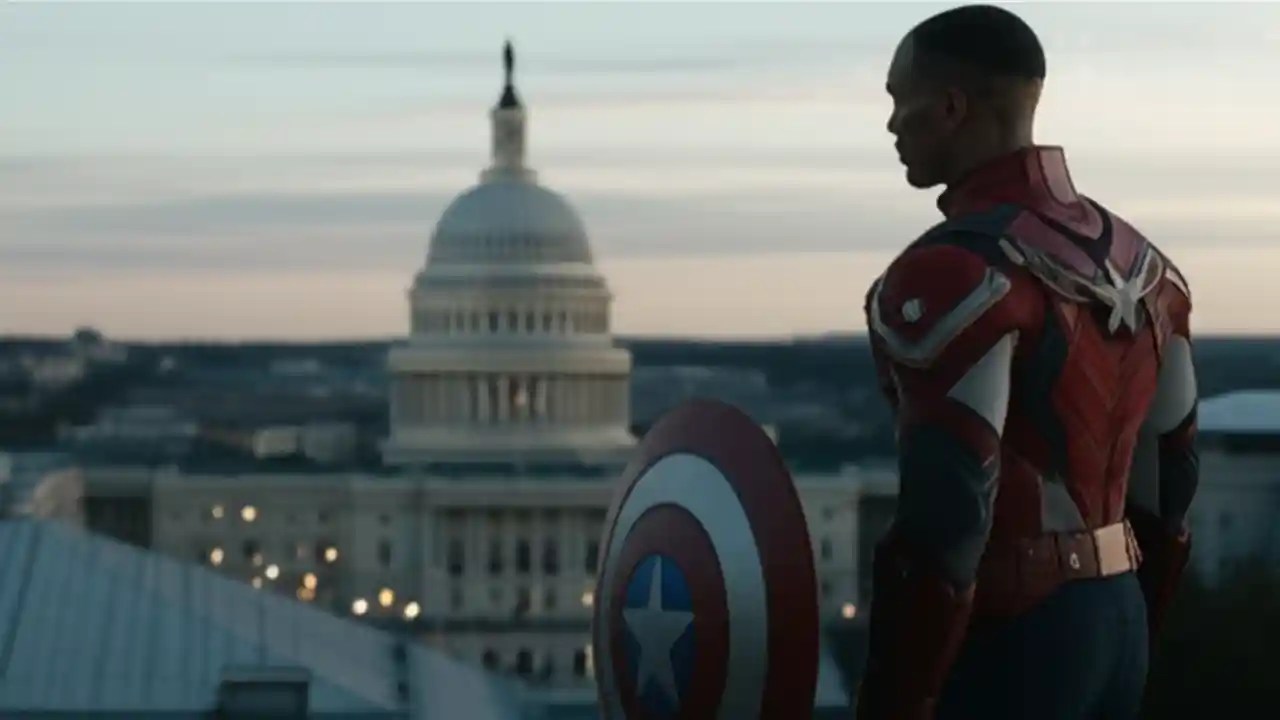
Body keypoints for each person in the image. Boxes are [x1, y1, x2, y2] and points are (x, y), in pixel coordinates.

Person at [856, 5, 1199, 720]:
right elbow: (1171, 480)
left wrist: (898, 697)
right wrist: (1131, 621)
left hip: (1011, 633)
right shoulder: (1150, 270)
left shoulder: (954, 272)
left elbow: (948, 516)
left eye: (898, 100)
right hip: (1118, 622)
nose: (890, 125)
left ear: (949, 107)